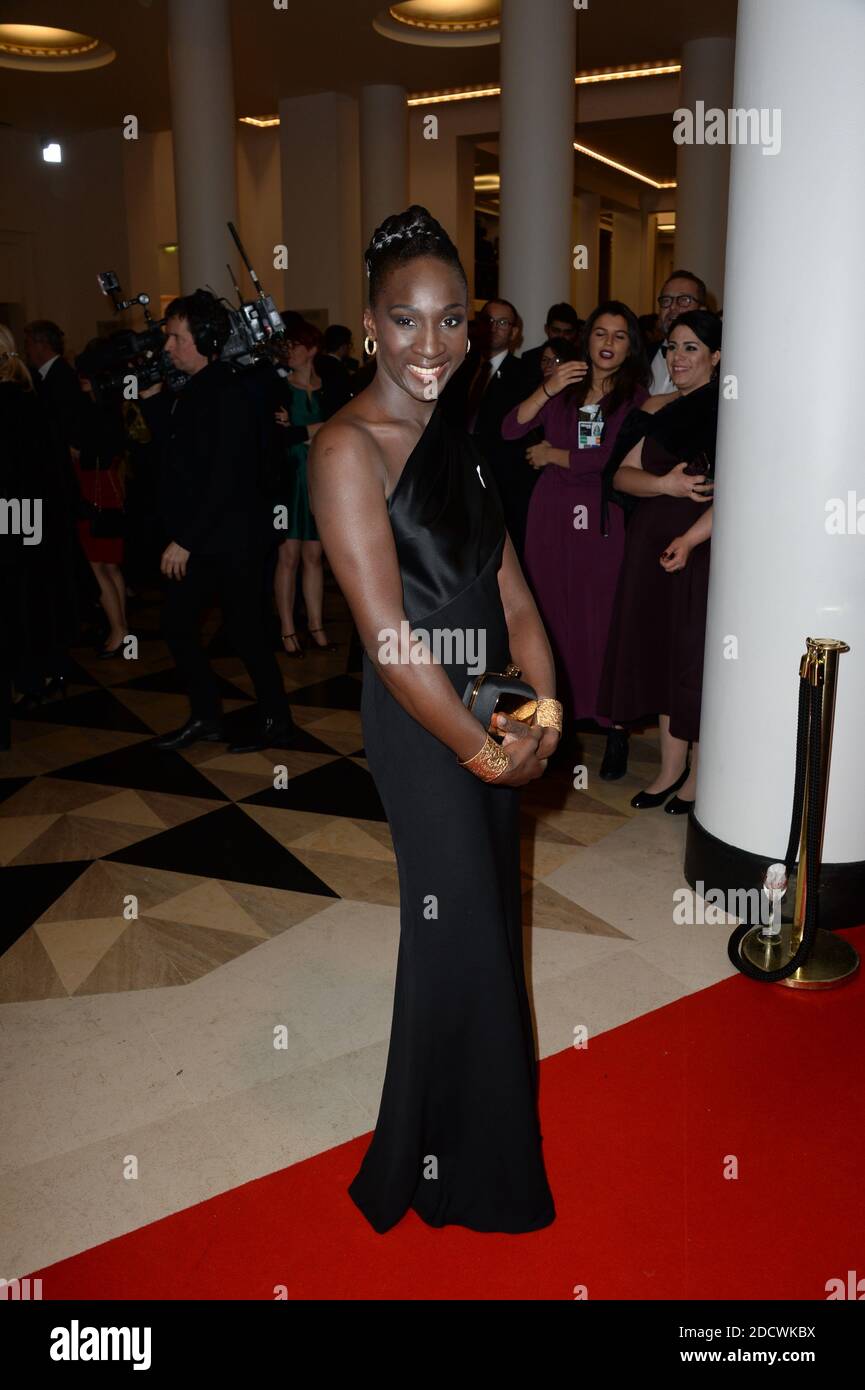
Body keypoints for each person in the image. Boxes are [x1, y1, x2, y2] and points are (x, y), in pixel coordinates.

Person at [308, 203, 561, 1235]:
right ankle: (460, 1166)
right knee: (455, 923)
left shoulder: (458, 442)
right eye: (406, 321)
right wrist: (484, 753)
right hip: (422, 725)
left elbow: (518, 605)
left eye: (451, 319)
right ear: (369, 326)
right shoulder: (344, 449)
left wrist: (538, 716)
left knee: (481, 927)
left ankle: (449, 1134)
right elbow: (389, 642)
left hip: (489, 702)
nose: (431, 343)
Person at [139, 289, 296, 754]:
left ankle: (274, 721)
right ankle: (208, 716)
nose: (167, 347)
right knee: (181, 625)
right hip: (209, 536)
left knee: (244, 631)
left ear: (204, 340)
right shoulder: (196, 388)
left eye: (175, 338)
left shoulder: (225, 389)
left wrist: (185, 539)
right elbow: (175, 455)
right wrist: (151, 402)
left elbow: (227, 475)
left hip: (229, 539)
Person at [502, 301, 650, 777]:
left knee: (603, 619)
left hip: (602, 518)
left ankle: (615, 731)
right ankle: (547, 725)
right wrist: (547, 387)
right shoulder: (563, 387)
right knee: (548, 616)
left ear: (630, 347)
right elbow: (510, 428)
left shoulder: (634, 396)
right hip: (550, 516)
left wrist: (551, 453)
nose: (608, 343)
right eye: (600, 333)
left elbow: (605, 459)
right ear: (587, 339)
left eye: (619, 335)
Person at [597, 310, 721, 812]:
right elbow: (620, 477)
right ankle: (670, 768)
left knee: (694, 658)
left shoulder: (729, 410)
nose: (678, 357)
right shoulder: (660, 408)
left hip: (701, 549)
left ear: (716, 356)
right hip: (649, 547)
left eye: (691, 348)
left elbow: (739, 493)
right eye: (672, 347)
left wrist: (690, 539)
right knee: (664, 653)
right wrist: (665, 484)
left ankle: (699, 774)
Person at [272, 322, 348, 655]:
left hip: (320, 478)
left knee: (315, 555)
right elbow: (278, 438)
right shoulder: (277, 388)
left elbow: (342, 425)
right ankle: (288, 629)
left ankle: (316, 626)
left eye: (294, 345)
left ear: (311, 348)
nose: (288, 351)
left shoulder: (328, 385)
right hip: (285, 480)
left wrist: (301, 429)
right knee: (287, 555)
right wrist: (315, 429)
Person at [441, 297, 535, 557]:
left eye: (502, 322)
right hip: (461, 476)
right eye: (488, 321)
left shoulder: (526, 374)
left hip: (504, 482)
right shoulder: (460, 369)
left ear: (514, 332)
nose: (494, 327)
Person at [72, 351, 129, 658]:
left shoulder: (90, 411)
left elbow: (82, 451)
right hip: (110, 490)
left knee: (98, 568)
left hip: (92, 491)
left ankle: (118, 631)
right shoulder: (112, 407)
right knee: (111, 567)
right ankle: (123, 629)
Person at [648, 271, 707, 394]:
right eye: (666, 300)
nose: (673, 307)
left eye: (684, 300)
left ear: (702, 310)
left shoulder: (717, 361)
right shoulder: (643, 355)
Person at [518, 302, 582, 393]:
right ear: (546, 329)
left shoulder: (582, 359)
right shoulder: (530, 358)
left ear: (575, 333)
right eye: (556, 331)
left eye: (567, 332)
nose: (561, 336)